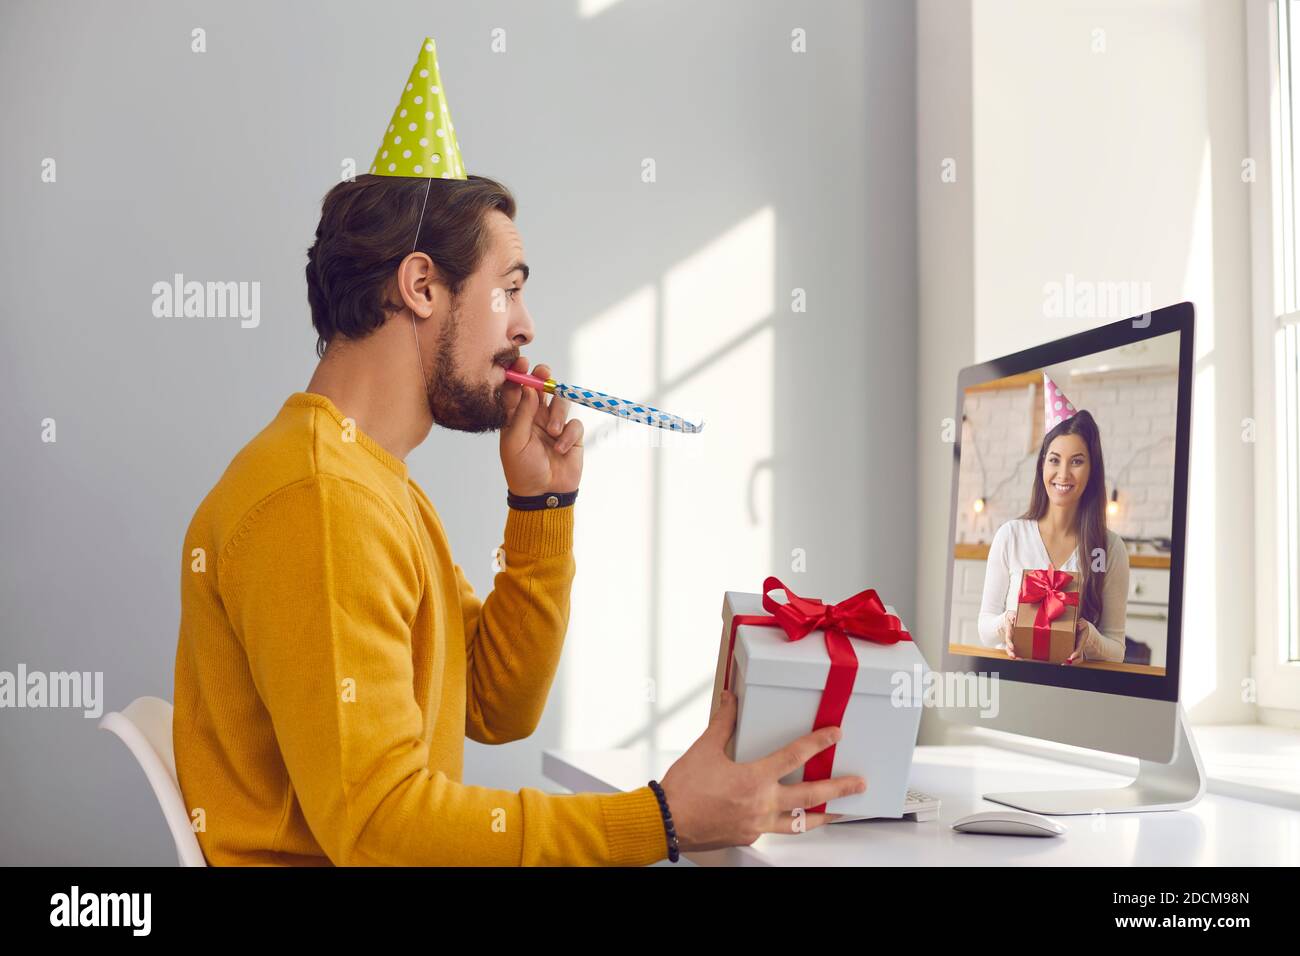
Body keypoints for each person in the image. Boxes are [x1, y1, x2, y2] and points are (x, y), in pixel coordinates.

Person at [172, 170, 865, 866]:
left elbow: (495, 705)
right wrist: (662, 818)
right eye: (508, 288)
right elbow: (379, 824)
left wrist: (542, 507)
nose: (526, 325)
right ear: (419, 287)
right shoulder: (323, 501)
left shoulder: (371, 483)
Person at [976, 401, 1129, 664]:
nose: (1063, 474)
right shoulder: (1010, 537)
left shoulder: (1109, 549)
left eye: (1077, 461)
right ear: (1042, 466)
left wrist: (1088, 637)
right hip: (1015, 684)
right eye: (1054, 460)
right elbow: (984, 628)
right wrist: (1008, 622)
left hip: (1075, 694)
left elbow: (1116, 649)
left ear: (1092, 471)